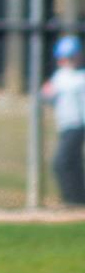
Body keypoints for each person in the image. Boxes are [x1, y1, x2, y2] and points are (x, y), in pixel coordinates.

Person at [43, 35, 85, 206]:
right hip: (66, 126)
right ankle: (76, 198)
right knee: (70, 162)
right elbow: (47, 95)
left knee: (62, 162)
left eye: (71, 57)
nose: (67, 61)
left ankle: (74, 199)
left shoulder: (79, 77)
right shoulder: (61, 76)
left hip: (77, 125)